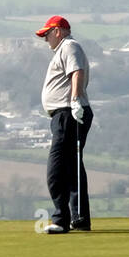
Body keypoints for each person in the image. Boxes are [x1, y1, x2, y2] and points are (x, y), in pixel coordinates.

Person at [37, 15, 92, 233]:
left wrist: (76, 99)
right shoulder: (63, 49)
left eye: (47, 34)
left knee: (57, 168)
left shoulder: (69, 46)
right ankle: (79, 218)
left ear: (58, 31)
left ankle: (61, 219)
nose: (46, 39)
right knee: (71, 167)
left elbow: (76, 72)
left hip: (69, 113)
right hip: (64, 114)